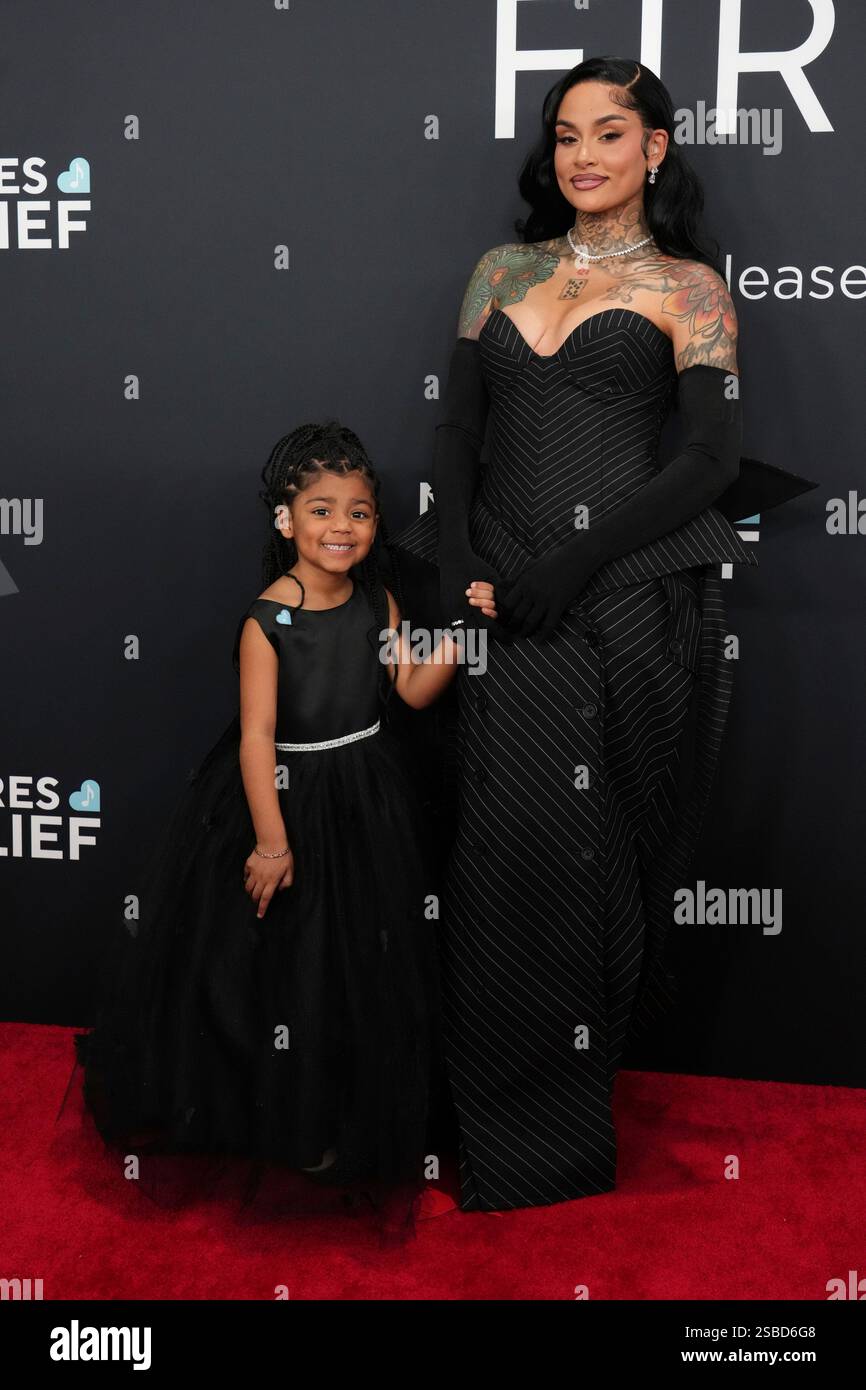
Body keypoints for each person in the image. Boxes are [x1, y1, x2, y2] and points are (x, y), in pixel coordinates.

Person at [390, 56, 816, 1213]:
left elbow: (709, 464)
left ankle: (558, 1137)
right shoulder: (500, 270)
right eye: (565, 134)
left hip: (620, 600)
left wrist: (571, 565)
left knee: (590, 860)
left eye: (609, 133)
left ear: (654, 150)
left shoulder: (689, 291)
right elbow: (454, 432)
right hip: (498, 604)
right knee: (496, 855)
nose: (582, 154)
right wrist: (467, 563)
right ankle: (485, 1114)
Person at [67, 420, 497, 1240]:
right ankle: (291, 1125)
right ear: (285, 522)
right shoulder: (269, 620)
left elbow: (408, 690)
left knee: (362, 967)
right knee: (288, 966)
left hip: (369, 798)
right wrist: (272, 839)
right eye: (323, 510)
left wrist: (464, 633)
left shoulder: (380, 598)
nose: (343, 527)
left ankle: (348, 1118)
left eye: (361, 512)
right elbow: (257, 736)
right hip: (288, 803)